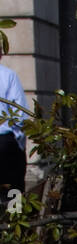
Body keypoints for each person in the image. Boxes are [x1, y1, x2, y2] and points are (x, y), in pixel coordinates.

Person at [0, 61, 28, 195]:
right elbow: (19, 115)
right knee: (13, 192)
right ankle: (15, 214)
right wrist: (20, 144)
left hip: (5, 142)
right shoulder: (8, 75)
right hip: (5, 143)